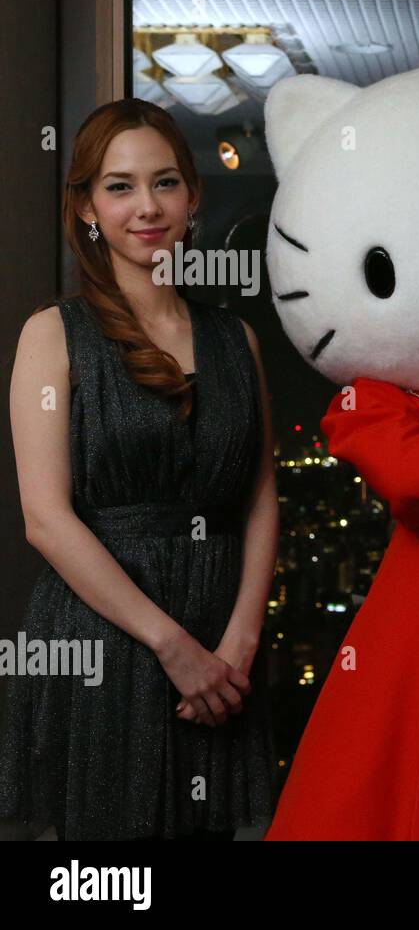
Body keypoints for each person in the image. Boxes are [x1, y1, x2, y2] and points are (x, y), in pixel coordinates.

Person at [0, 98, 278, 840]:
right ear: (87, 206)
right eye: (119, 186)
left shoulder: (237, 339)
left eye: (165, 182)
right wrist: (173, 647)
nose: (147, 207)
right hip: (105, 641)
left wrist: (239, 645)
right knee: (109, 879)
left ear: (193, 195)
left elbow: (259, 501)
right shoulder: (52, 335)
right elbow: (45, 520)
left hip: (224, 651)